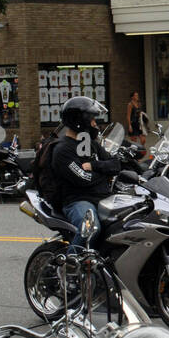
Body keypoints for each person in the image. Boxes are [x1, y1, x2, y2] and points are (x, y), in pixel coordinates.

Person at [51, 97, 121, 248]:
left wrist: (94, 165)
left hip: (103, 198)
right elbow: (84, 179)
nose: (95, 124)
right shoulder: (63, 150)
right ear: (80, 121)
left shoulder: (90, 144)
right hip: (78, 201)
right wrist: (104, 173)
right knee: (90, 228)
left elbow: (115, 165)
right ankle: (71, 266)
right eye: (93, 119)